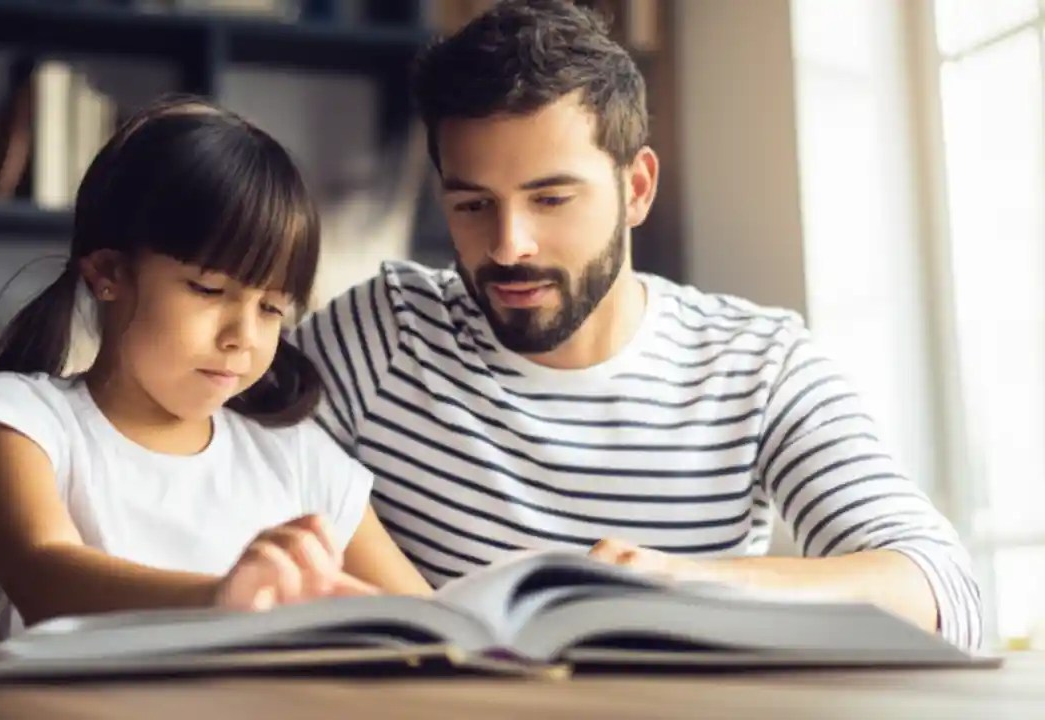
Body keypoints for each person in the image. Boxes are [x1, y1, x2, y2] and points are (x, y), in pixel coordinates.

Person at [293, 0, 982, 650]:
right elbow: (210, 452)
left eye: (551, 198)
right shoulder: (385, 334)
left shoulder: (757, 365)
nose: (508, 246)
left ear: (638, 189)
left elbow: (945, 593)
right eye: (473, 206)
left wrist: (686, 582)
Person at [0, 97, 430, 647]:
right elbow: (45, 577)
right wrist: (224, 600)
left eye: (271, 309)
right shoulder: (17, 422)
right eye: (210, 291)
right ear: (109, 273)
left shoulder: (299, 459)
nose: (243, 336)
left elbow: (431, 620)